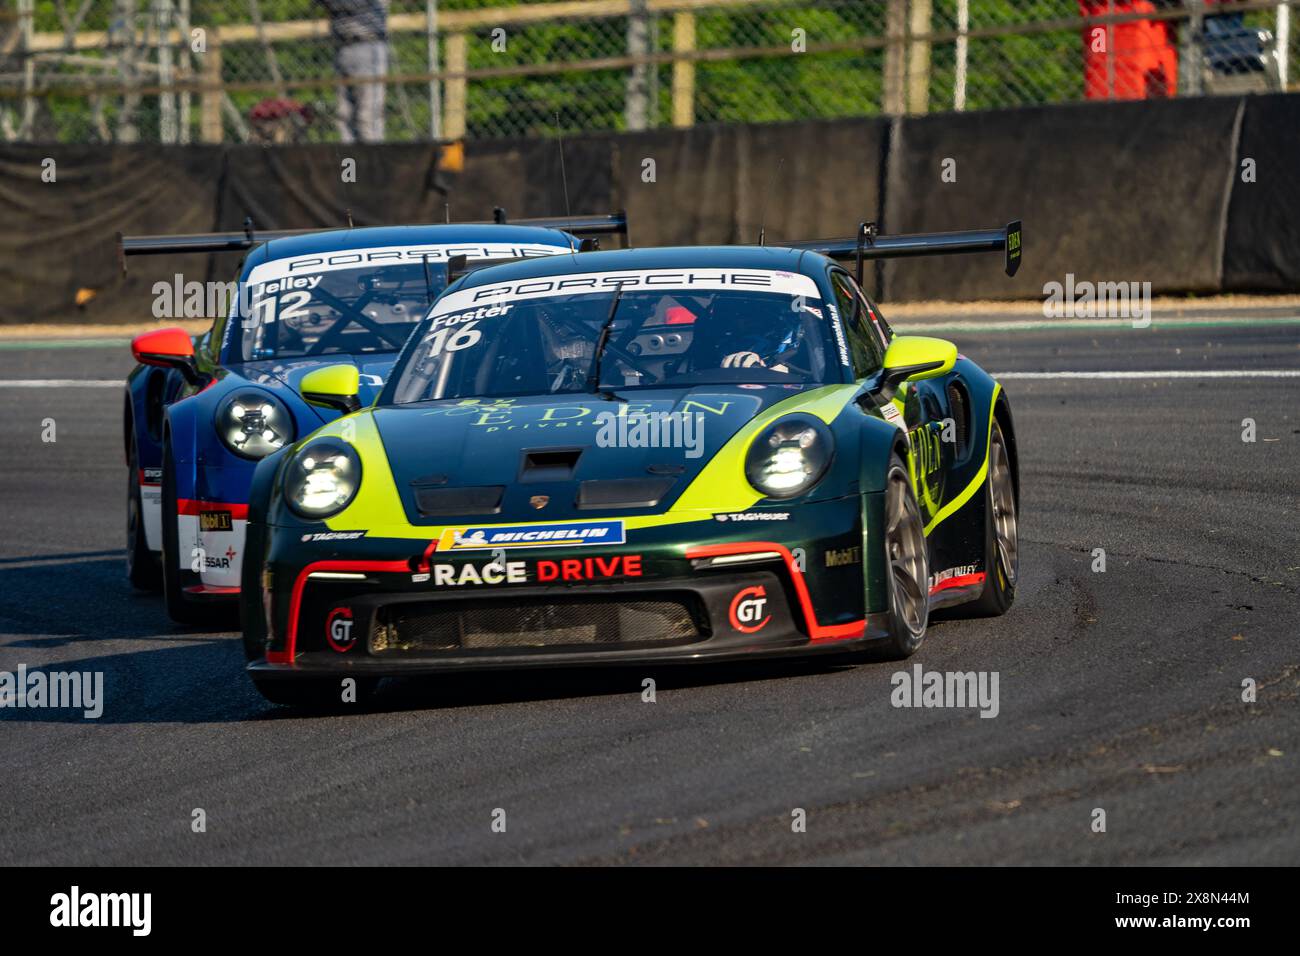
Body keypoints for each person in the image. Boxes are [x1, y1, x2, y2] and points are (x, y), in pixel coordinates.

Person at [316, 0, 389, 142]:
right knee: (344, 115)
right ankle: (351, 162)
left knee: (367, 116)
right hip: (341, 47)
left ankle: (372, 161)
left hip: (368, 45)